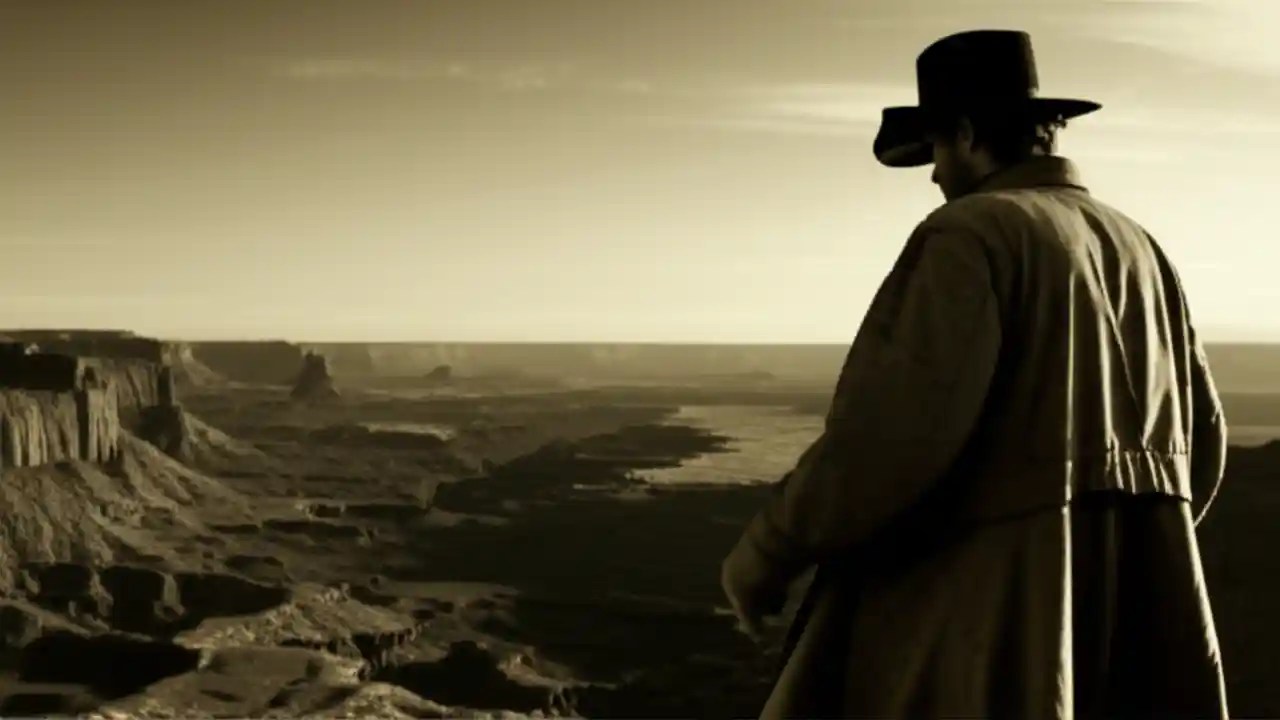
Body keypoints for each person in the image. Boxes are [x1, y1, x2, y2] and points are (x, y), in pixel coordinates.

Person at [720, 29, 1230, 720]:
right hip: (1144, 617)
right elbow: (1202, 441)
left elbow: (888, 439)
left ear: (964, 133)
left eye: (934, 149)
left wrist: (767, 551)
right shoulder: (1141, 248)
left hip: (993, 619)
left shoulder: (970, 234)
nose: (932, 174)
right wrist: (1140, 547)